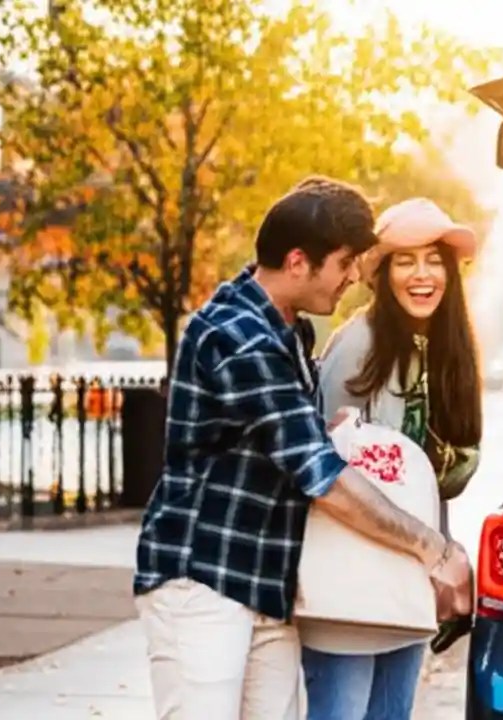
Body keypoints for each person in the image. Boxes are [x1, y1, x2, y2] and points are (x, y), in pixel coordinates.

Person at [131, 178, 474, 720]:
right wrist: (434, 549)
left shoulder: (292, 333)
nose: (355, 276)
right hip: (203, 581)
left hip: (268, 586)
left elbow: (301, 447)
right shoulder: (237, 335)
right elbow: (322, 475)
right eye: (345, 263)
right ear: (298, 263)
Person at [302, 197, 484, 719]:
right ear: (381, 272)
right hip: (351, 575)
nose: (422, 274)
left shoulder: (448, 351)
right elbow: (329, 473)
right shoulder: (358, 343)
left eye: (434, 260)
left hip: (411, 574)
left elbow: (447, 476)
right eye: (406, 260)